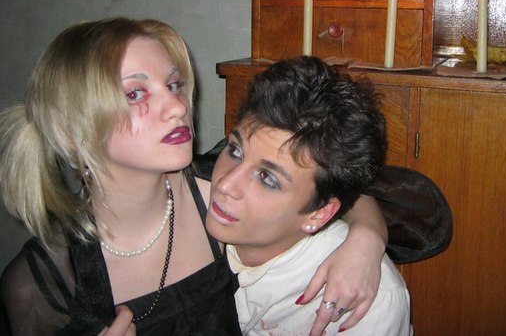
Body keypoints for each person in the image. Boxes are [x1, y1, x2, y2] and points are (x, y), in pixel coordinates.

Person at [0, 18, 389, 335]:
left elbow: (330, 182)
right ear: (72, 132)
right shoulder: (41, 282)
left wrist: (366, 238)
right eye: (135, 94)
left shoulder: (218, 192)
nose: (176, 105)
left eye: (173, 84)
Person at [205, 56, 413, 335]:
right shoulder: (181, 211)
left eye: (267, 178)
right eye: (235, 150)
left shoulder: (369, 305)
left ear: (319, 213)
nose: (225, 184)